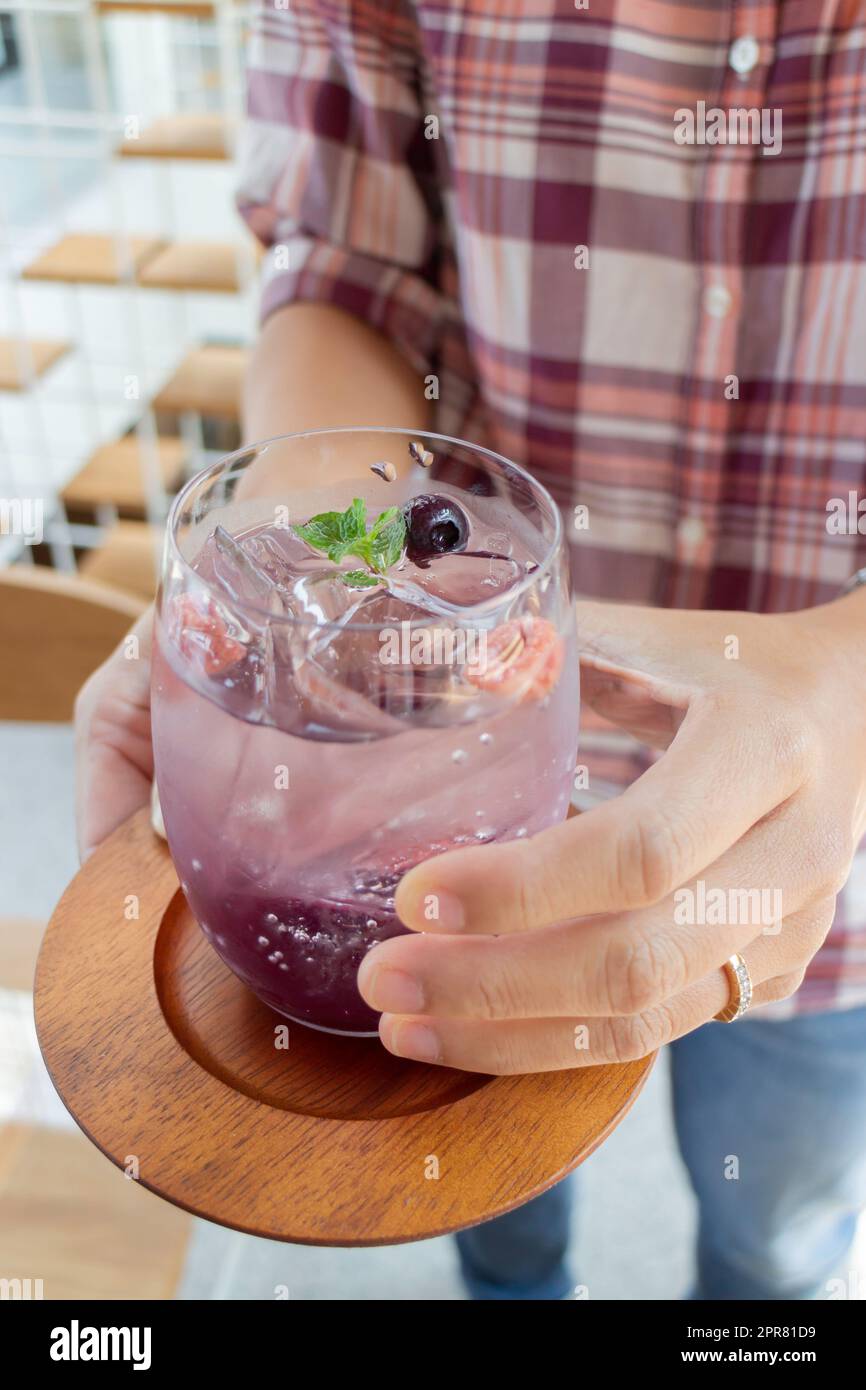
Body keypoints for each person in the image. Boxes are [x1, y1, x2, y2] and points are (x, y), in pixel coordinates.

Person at [75, 2, 866, 1300]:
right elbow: (344, 272)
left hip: (838, 878)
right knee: (483, 1194)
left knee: (771, 1246)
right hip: (436, 797)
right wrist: (296, 596)